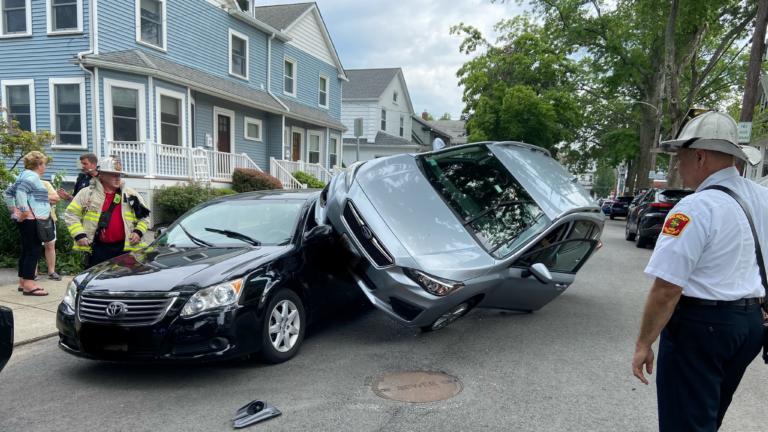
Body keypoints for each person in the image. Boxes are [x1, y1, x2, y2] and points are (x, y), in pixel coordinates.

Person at [631, 110, 767, 431]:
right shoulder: (763, 198)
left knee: (687, 424)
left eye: (680, 158)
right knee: (707, 416)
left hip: (701, 327)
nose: (677, 167)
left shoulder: (694, 207)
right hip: (748, 325)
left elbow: (667, 289)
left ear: (700, 157)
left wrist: (643, 344)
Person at [64, 155, 150, 269]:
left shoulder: (130, 194)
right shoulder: (86, 194)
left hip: (126, 249)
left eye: (119, 175)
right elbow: (71, 214)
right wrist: (79, 234)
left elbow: (145, 217)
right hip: (98, 249)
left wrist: (138, 232)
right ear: (102, 175)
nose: (118, 178)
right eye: (113, 175)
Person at [3, 151, 51, 296]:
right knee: (33, 252)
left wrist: (13, 211)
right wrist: (23, 211)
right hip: (32, 219)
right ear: (39, 165)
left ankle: (23, 282)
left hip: (27, 220)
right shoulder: (33, 177)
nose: (44, 167)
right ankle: (29, 286)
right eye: (44, 164)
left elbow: (7, 193)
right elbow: (21, 191)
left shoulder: (22, 176)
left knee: (26, 251)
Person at [41, 179, 62, 281]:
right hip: (32, 218)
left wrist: (38, 197)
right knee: (32, 246)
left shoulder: (45, 183)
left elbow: (56, 198)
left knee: (50, 244)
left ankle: (51, 271)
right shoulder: (26, 182)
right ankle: (32, 273)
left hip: (48, 218)